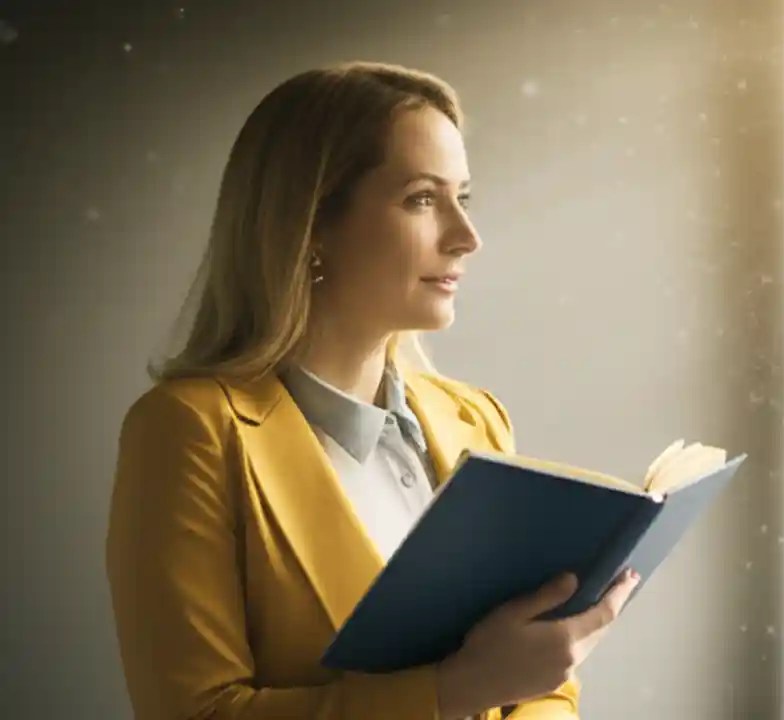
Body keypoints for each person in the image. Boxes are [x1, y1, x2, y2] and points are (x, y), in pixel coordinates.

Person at [104, 61, 639, 720]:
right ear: (312, 224)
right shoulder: (188, 431)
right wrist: (455, 691)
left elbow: (542, 689)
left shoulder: (475, 419)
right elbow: (196, 714)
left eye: (461, 198)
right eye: (421, 198)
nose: (466, 237)